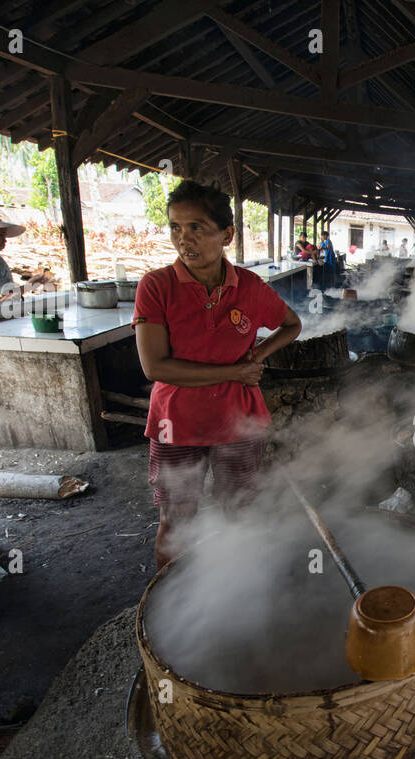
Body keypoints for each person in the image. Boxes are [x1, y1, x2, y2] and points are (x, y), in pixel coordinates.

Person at [133, 180, 303, 570]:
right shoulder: (156, 286)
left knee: (239, 514)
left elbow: (292, 324)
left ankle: (234, 595)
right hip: (175, 423)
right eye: (175, 227)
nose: (184, 239)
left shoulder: (250, 287)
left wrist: (258, 354)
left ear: (227, 234)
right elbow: (155, 367)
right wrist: (236, 370)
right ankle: (167, 607)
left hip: (238, 422)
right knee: (176, 521)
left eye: (196, 227)